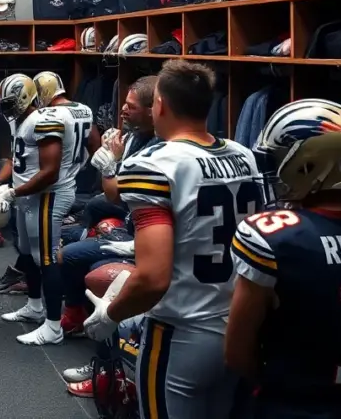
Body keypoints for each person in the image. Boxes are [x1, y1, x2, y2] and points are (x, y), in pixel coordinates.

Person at [84, 60, 263, 419]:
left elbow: (153, 278)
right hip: (242, 325)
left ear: (160, 105)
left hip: (183, 332)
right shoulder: (244, 155)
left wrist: (110, 315)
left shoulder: (153, 164)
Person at [226, 99, 341, 418]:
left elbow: (238, 353)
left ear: (309, 165)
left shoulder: (273, 236)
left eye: (280, 159)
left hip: (297, 405)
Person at [0, 71, 98, 346]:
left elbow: (50, 173)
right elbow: (20, 159)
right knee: (27, 252)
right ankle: (35, 307)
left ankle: (54, 325)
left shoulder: (46, 120)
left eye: (11, 103)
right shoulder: (22, 121)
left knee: (46, 258)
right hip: (28, 196)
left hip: (48, 195)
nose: (7, 110)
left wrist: (12, 192)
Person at [58, 75, 158, 338]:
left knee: (71, 256)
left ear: (154, 110)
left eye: (131, 106)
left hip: (141, 234)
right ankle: (76, 312)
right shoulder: (135, 137)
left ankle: (79, 319)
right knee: (80, 220)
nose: (123, 110)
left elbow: (115, 195)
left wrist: (109, 164)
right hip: (131, 221)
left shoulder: (157, 149)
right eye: (124, 103)